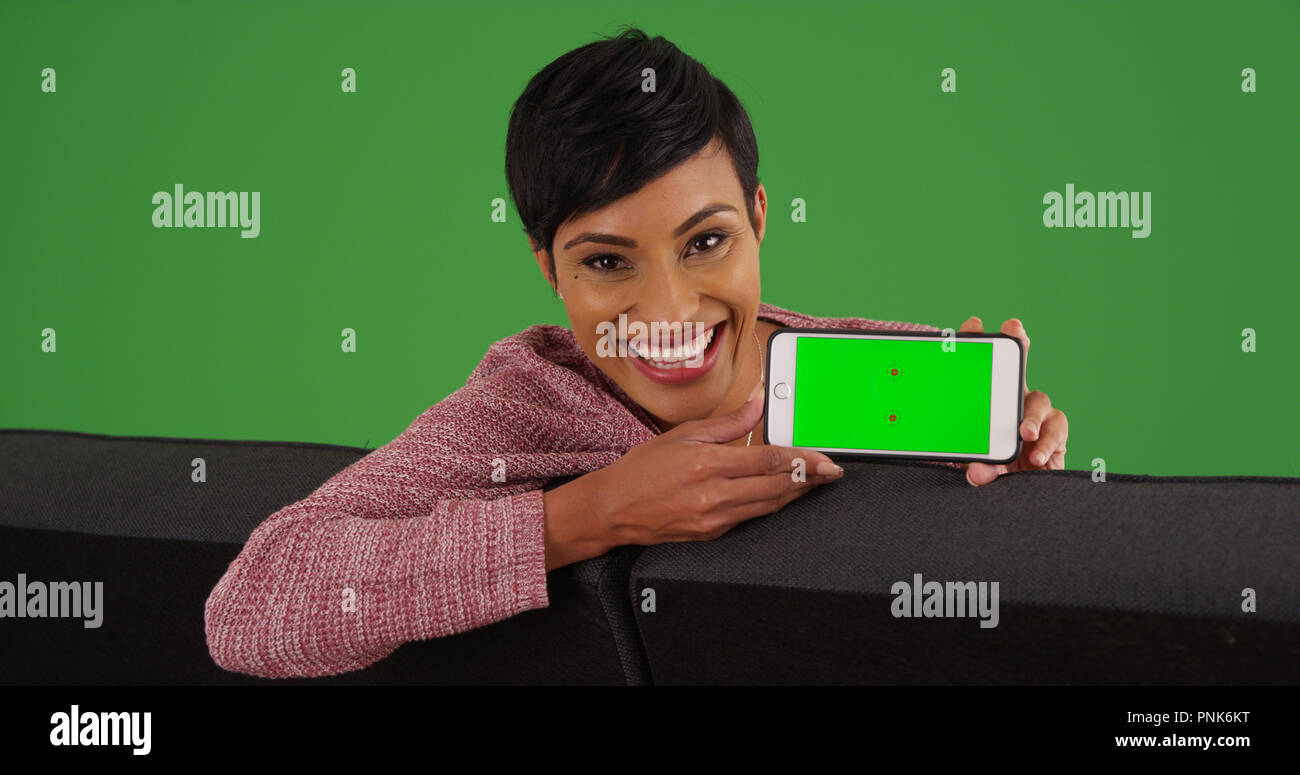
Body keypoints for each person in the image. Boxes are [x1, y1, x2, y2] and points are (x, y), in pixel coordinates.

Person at [204, 28, 1068, 678]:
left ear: (760, 219)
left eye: (706, 242)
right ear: (549, 270)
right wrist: (590, 516)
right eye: (608, 262)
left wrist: (1024, 481)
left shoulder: (891, 370)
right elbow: (252, 607)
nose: (667, 310)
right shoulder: (527, 404)